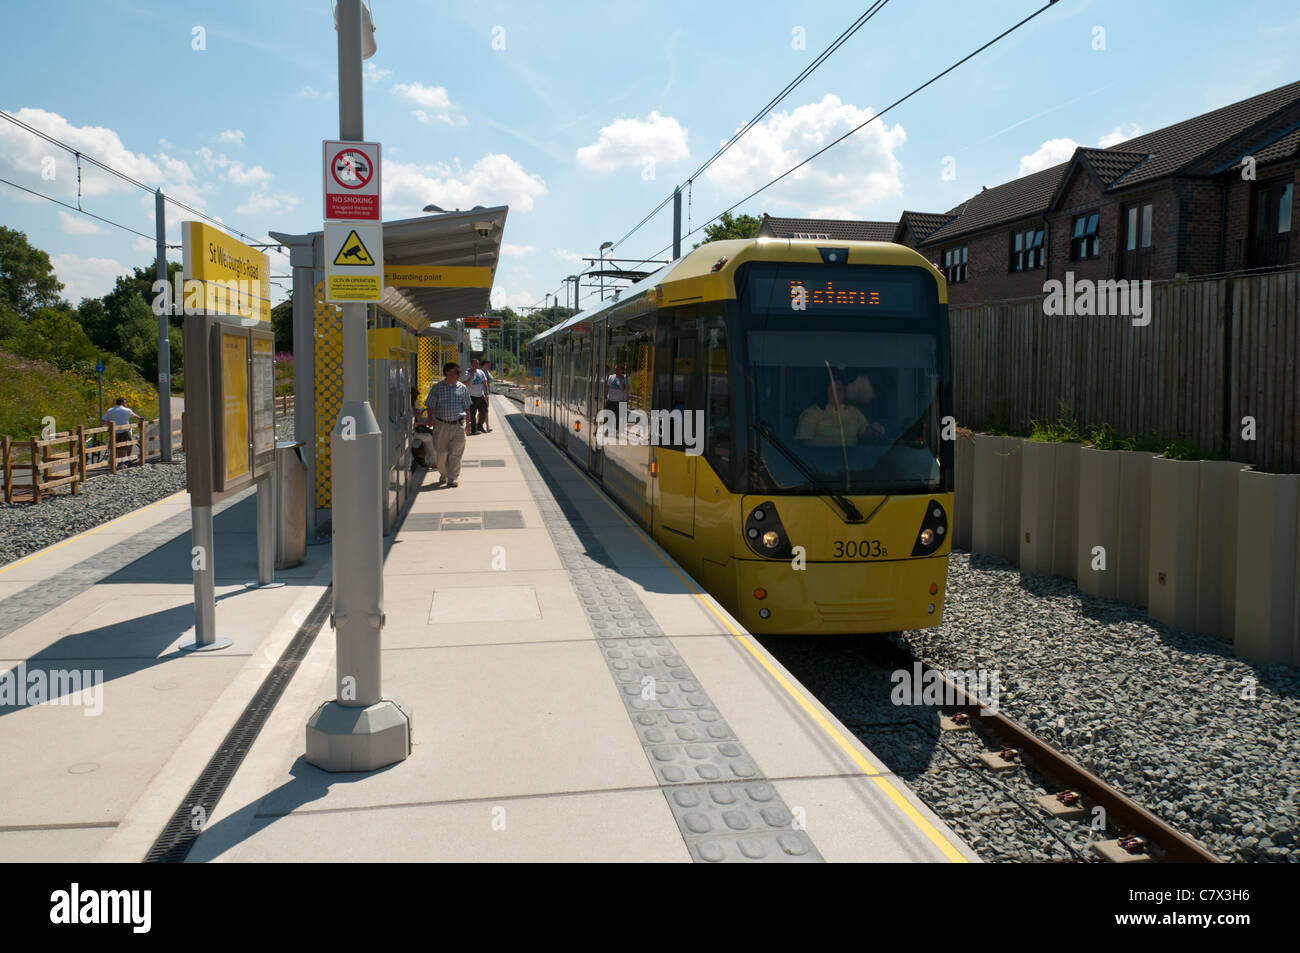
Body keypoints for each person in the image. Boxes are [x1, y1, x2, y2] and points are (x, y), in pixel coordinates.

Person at [795, 379, 883, 447]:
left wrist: (874, 430)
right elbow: (805, 444)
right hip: (818, 463)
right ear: (825, 392)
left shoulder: (853, 412)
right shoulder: (811, 413)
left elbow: (864, 433)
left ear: (844, 393)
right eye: (832, 390)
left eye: (840, 389)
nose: (836, 393)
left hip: (853, 460)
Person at [425, 362, 472, 487]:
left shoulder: (462, 388)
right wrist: (430, 418)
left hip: (458, 425)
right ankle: (444, 474)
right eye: (457, 372)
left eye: (459, 372)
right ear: (448, 373)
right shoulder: (437, 388)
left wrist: (469, 424)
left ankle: (453, 478)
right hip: (441, 425)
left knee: (455, 453)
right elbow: (430, 404)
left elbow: (467, 407)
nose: (459, 374)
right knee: (441, 453)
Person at [101, 397, 141, 466]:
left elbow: (103, 420)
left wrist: (99, 428)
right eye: (125, 403)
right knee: (124, 446)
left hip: (113, 432)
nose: (126, 404)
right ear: (122, 403)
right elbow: (135, 416)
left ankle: (114, 462)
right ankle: (122, 462)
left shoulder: (110, 410)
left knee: (115, 446)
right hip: (124, 431)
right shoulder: (127, 410)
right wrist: (141, 418)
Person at [464, 357, 489, 435]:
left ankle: (480, 425)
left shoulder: (480, 372)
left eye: (477, 363)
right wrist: (471, 377)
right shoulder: (467, 373)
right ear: (471, 364)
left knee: (484, 410)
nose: (476, 365)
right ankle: (474, 430)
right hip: (472, 396)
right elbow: (464, 384)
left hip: (480, 395)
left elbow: (484, 382)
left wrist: (486, 392)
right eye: (475, 363)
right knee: (472, 413)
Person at [480, 359, 494, 432]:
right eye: (488, 365)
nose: (489, 366)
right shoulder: (480, 372)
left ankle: (485, 425)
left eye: (490, 365)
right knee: (483, 410)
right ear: (484, 365)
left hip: (486, 394)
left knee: (484, 410)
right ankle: (484, 425)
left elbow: (492, 379)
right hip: (481, 394)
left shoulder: (486, 372)